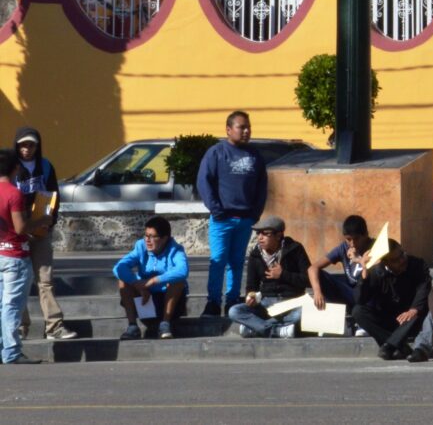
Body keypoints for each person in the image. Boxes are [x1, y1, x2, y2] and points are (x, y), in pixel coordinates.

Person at [195, 111, 266, 316]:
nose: (246, 131)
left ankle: (232, 299)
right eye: (241, 127)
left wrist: (255, 213)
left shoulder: (255, 155)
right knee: (218, 260)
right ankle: (213, 302)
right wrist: (216, 210)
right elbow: (204, 181)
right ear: (228, 129)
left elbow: (262, 186)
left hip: (245, 219)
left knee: (236, 262)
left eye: (248, 127)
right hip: (222, 219)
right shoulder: (216, 153)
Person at [11, 128, 71, 341]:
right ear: (17, 146)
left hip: (41, 227)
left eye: (31, 145)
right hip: (17, 229)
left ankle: (54, 325)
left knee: (45, 279)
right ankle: (19, 327)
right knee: (18, 279)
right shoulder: (11, 167)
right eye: (23, 145)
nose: (27, 149)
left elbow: (54, 195)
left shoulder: (45, 166)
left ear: (38, 146)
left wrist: (49, 222)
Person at [227, 215, 310, 338]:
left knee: (304, 313)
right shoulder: (255, 255)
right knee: (234, 311)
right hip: (266, 304)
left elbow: (307, 280)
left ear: (278, 235)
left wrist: (283, 275)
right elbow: (251, 286)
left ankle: (256, 328)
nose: (260, 237)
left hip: (291, 302)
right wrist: (251, 297)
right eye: (258, 233)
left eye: (265, 234)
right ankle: (276, 331)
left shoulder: (295, 249)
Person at [112, 215, 189, 340]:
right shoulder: (141, 246)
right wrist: (138, 284)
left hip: (169, 303)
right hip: (145, 301)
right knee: (123, 280)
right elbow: (118, 268)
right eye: (146, 235)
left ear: (164, 238)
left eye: (153, 237)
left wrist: (152, 281)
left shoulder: (176, 249)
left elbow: (183, 271)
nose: (148, 240)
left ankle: (165, 324)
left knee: (178, 281)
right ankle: (132, 327)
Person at [354, 239, 431, 360]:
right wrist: (364, 272)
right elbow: (360, 299)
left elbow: (424, 289)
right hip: (388, 319)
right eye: (396, 260)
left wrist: (414, 309)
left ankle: (389, 346)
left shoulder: (418, 265)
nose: (402, 260)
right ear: (385, 263)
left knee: (419, 313)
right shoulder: (376, 272)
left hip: (410, 319)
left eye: (402, 254)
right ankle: (400, 346)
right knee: (358, 311)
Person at [0, 155, 30, 365]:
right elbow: (20, 228)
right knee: (11, 306)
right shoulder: (14, 193)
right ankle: (11, 351)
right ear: (15, 168)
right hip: (15, 254)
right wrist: (42, 220)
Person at [311, 214, 374, 313]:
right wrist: (317, 292)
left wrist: (358, 259)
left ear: (366, 235)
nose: (352, 244)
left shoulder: (374, 247)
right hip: (350, 292)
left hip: (369, 295)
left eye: (356, 239)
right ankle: (336, 313)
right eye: (348, 239)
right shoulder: (344, 248)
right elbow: (313, 268)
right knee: (319, 275)